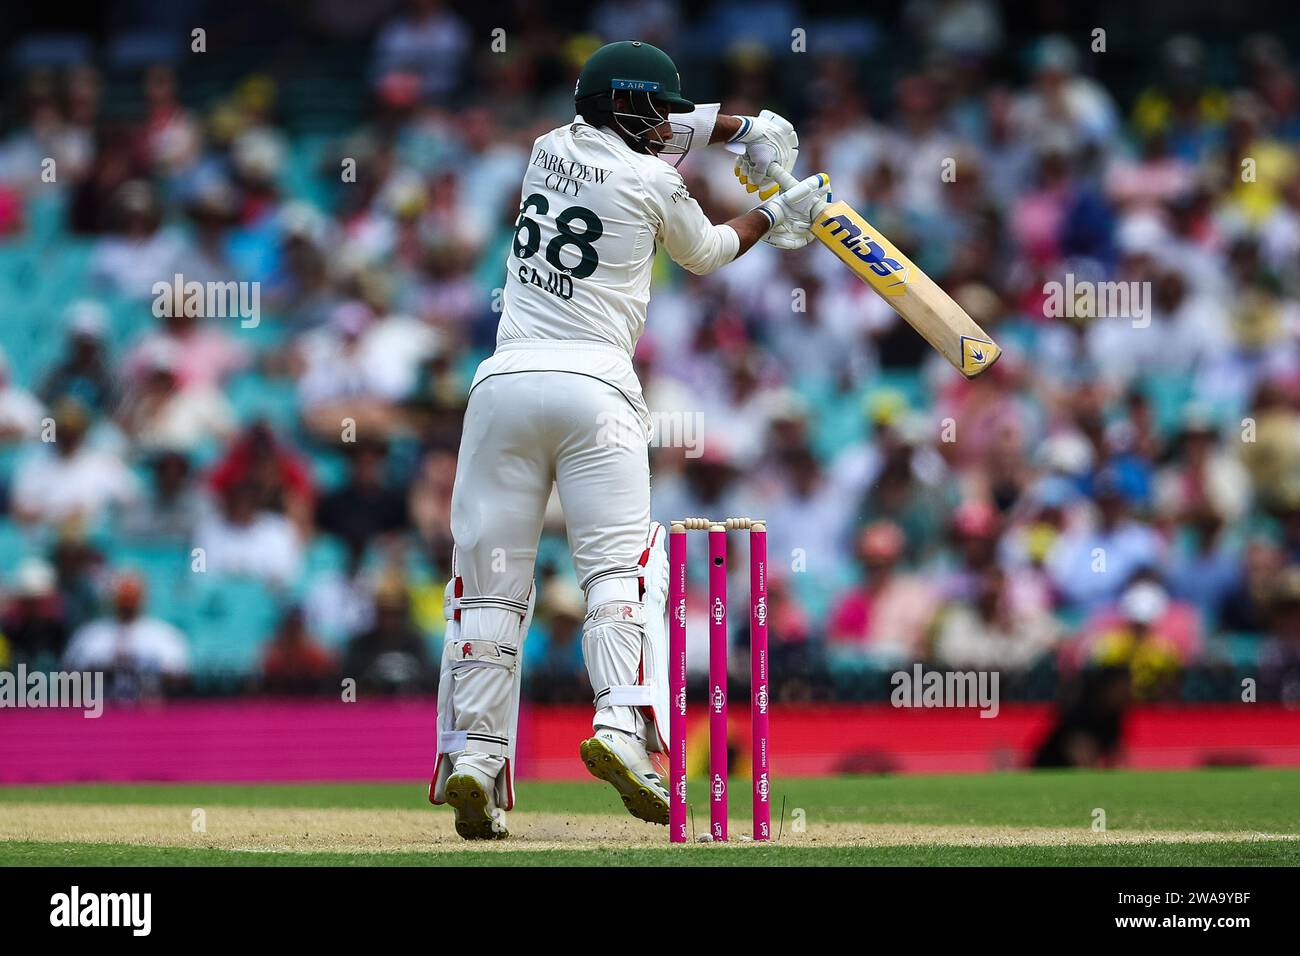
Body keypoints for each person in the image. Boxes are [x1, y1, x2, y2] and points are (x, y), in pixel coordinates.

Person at [429, 40, 828, 839]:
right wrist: (780, 212)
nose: (668, 125)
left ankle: (475, 758)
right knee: (621, 570)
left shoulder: (547, 149)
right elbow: (710, 251)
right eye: (660, 109)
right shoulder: (655, 181)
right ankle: (621, 731)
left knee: (489, 584)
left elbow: (648, 122)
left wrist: (743, 126)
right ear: (631, 109)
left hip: (502, 386)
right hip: (597, 391)